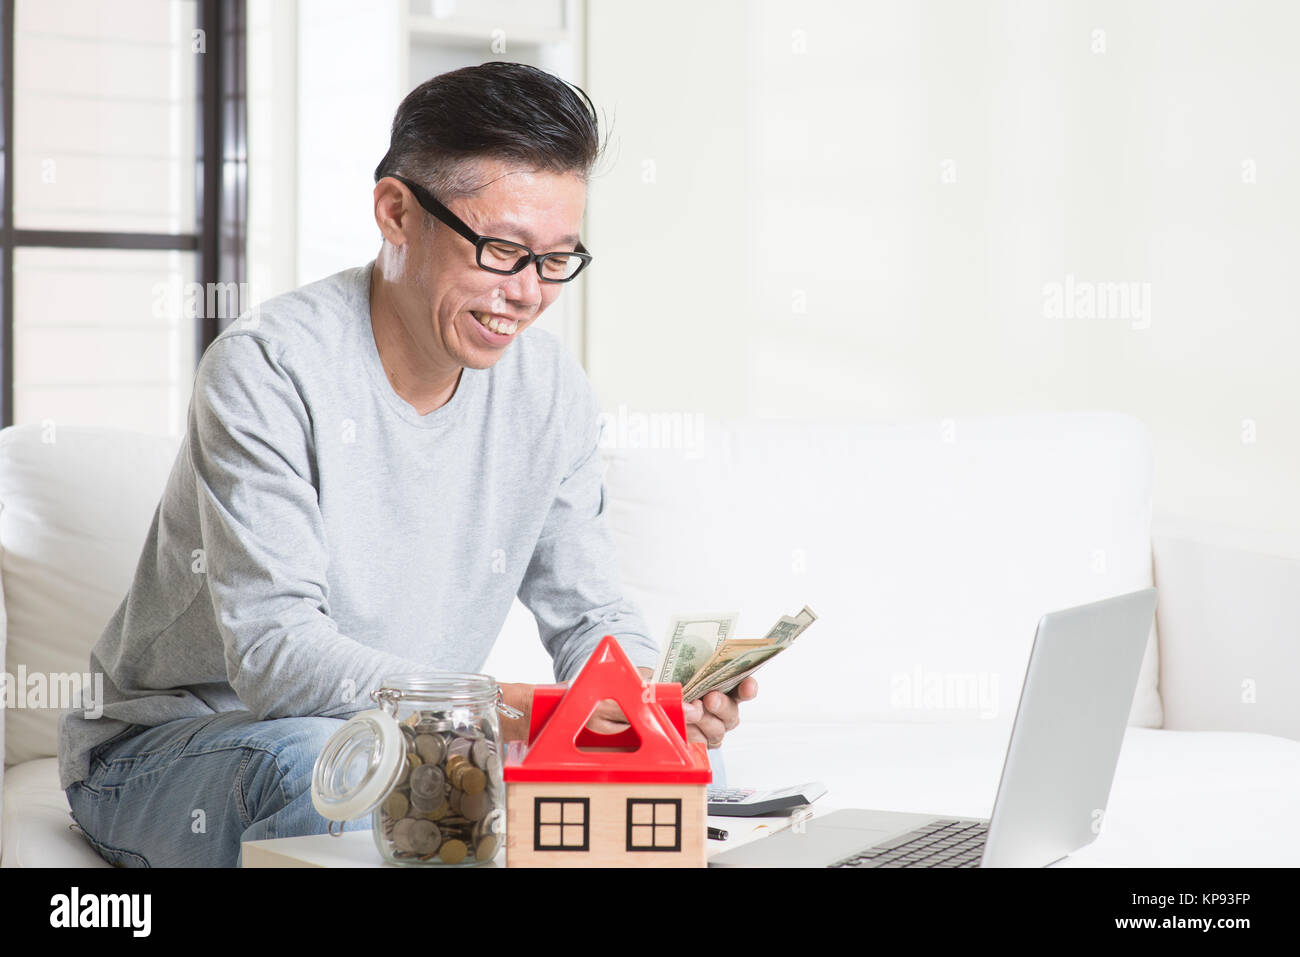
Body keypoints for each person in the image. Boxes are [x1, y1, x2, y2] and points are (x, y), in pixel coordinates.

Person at [56, 61, 756, 868]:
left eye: (557, 258)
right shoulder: (268, 368)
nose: (528, 293)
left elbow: (592, 614)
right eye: (501, 250)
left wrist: (647, 703)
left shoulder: (549, 387)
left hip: (418, 740)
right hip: (182, 746)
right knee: (337, 770)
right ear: (396, 212)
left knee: (680, 772)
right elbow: (278, 658)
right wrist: (523, 711)